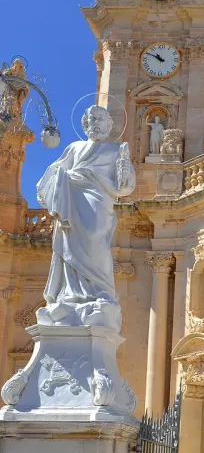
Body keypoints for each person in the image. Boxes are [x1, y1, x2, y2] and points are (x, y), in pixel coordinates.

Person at [36, 105, 136, 332]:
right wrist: (63, 177)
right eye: (92, 119)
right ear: (85, 124)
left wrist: (124, 170)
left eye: (101, 119)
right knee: (71, 247)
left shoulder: (116, 150)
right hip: (72, 201)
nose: (96, 123)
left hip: (98, 200)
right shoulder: (74, 148)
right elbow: (53, 172)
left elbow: (125, 188)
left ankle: (100, 291)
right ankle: (72, 294)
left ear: (110, 125)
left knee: (95, 239)